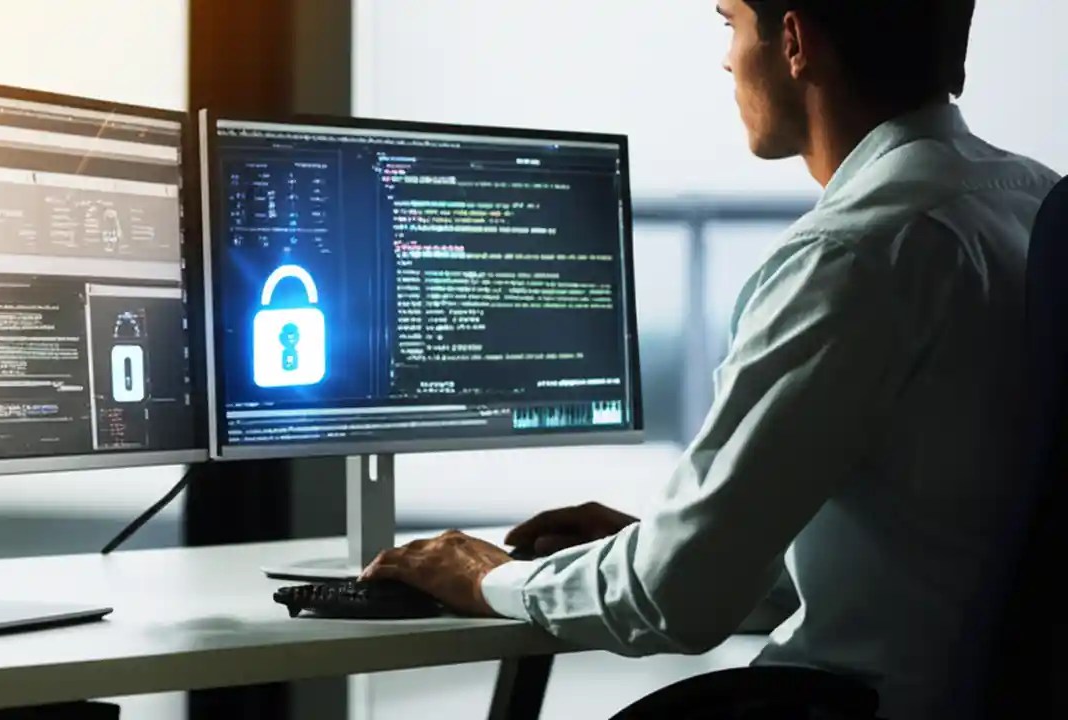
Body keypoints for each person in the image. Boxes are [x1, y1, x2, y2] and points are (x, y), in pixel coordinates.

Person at [360, 1, 1061, 717]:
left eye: (730, 24)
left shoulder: (851, 256)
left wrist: (486, 577)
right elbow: (927, 557)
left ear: (794, 42)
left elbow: (676, 600)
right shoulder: (1035, 204)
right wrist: (682, 543)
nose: (726, 59)